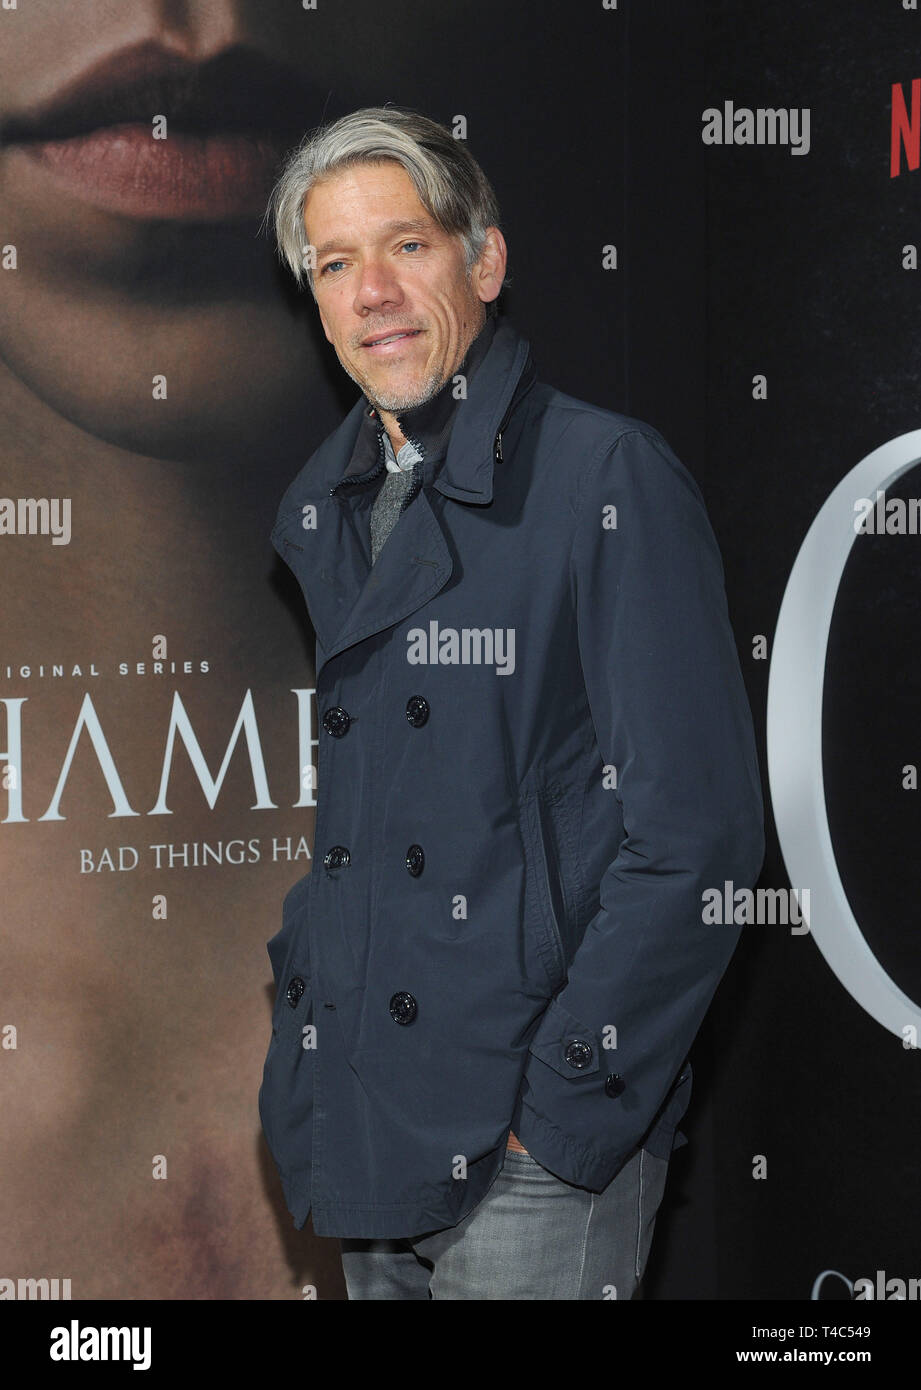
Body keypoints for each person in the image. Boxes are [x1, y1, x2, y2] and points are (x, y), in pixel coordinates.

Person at [259, 105, 765, 1300]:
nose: (372, 290)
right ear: (316, 302)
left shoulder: (603, 476)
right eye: (336, 264)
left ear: (483, 261)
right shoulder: (334, 508)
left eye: (408, 247)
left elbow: (698, 838)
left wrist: (564, 1111)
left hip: (530, 1149)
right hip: (369, 1124)